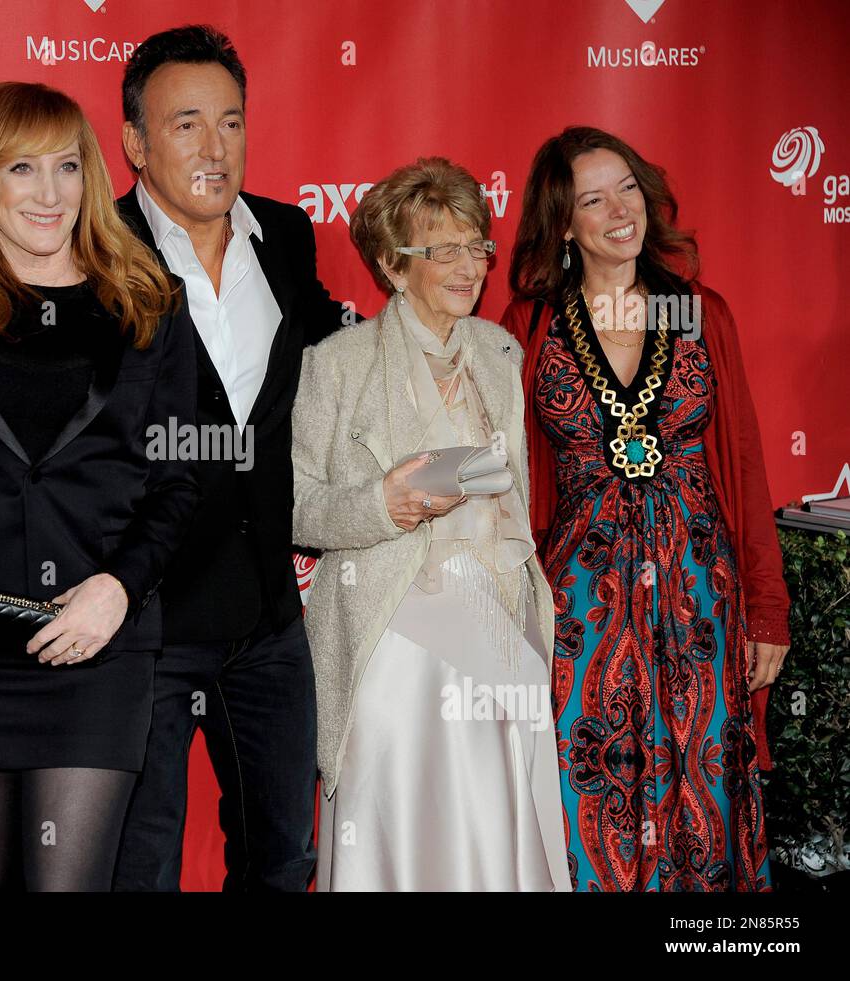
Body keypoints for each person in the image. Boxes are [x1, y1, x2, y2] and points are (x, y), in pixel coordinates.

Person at [0, 81, 199, 892]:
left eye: (67, 166)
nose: (49, 192)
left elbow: (182, 480)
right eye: (21, 169)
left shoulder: (146, 302)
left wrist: (120, 589)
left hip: (95, 647)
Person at [500, 125, 790, 891]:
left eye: (627, 186)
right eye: (593, 198)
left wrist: (766, 608)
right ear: (564, 221)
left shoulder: (696, 312)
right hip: (580, 614)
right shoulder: (528, 327)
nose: (619, 209)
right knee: (582, 792)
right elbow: (506, 486)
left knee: (703, 799)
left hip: (701, 604)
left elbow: (748, 468)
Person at [111, 24, 362, 891]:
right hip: (144, 616)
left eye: (231, 121)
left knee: (284, 855)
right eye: (186, 124)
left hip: (266, 615)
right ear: (136, 143)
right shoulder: (95, 253)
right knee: (140, 865)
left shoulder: (287, 236)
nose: (216, 148)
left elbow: (331, 340)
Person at [292, 157, 569, 891]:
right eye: (441, 249)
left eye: (476, 246)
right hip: (394, 636)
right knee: (410, 828)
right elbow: (298, 504)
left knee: (493, 825)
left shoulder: (498, 353)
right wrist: (387, 502)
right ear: (392, 263)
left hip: (497, 623)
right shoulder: (337, 363)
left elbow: (515, 496)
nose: (468, 265)